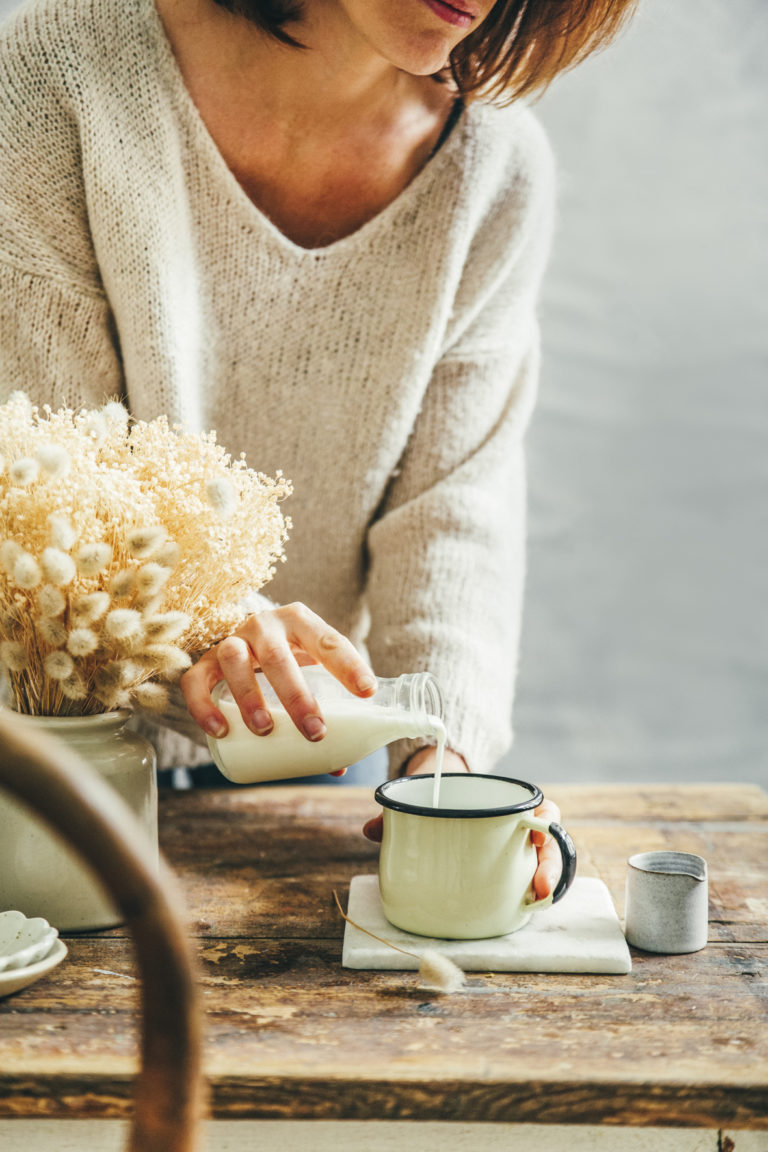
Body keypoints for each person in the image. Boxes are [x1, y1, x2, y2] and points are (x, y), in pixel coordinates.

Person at [0, 0, 637, 898]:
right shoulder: (52, 76)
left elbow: (454, 513)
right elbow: (51, 478)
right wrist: (217, 623)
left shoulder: (493, 170)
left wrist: (440, 756)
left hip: (312, 761)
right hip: (55, 754)